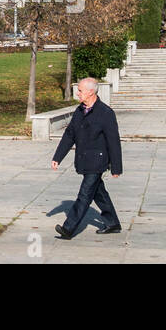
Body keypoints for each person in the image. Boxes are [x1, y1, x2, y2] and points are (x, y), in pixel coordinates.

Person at [50, 76, 122, 239]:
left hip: (98, 161)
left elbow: (113, 142)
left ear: (90, 92)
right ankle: (113, 223)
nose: (78, 93)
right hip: (84, 160)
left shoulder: (106, 113)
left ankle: (68, 228)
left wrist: (116, 167)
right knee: (99, 193)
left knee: (84, 195)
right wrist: (58, 157)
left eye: (80, 90)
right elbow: (69, 135)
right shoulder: (79, 111)